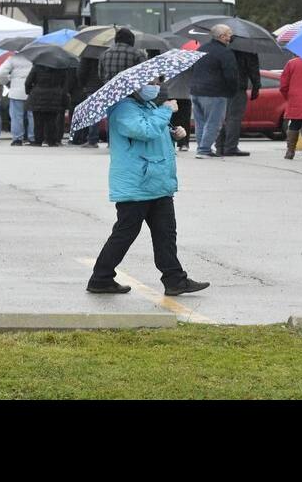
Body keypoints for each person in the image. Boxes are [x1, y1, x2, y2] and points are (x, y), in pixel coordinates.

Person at [86, 77, 209, 296]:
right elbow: (144, 131)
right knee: (125, 233)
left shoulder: (148, 105)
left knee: (166, 233)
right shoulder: (123, 109)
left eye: (157, 82)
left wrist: (173, 134)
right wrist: (166, 111)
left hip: (157, 182)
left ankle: (174, 279)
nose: (155, 86)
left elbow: (155, 134)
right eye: (151, 83)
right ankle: (100, 278)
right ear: (135, 86)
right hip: (137, 183)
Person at [189, 25, 238, 159]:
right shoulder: (225, 53)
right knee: (213, 122)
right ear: (222, 36)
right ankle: (204, 150)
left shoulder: (201, 49)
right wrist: (232, 90)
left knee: (200, 123)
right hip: (215, 92)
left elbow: (193, 69)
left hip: (195, 91)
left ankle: (201, 148)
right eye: (229, 34)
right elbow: (231, 75)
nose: (231, 37)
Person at [218, 50, 261, 156]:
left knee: (221, 117)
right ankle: (230, 147)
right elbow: (253, 69)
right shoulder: (248, 50)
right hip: (238, 86)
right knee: (234, 118)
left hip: (220, 86)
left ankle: (220, 146)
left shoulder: (222, 49)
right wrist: (256, 86)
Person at [25, 62, 72, 146]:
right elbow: (65, 84)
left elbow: (28, 82)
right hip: (54, 96)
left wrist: (29, 91)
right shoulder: (61, 68)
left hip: (38, 96)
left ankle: (38, 141)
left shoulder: (37, 67)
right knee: (52, 120)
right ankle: (51, 141)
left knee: (38, 121)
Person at [0, 54, 35, 146]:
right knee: (32, 116)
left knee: (16, 116)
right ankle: (33, 137)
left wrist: (6, 82)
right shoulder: (35, 58)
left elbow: (1, 73)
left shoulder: (12, 59)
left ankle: (17, 139)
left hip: (16, 91)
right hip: (32, 90)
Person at [71, 55, 102, 146]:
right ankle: (110, 141)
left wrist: (83, 85)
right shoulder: (105, 53)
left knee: (93, 114)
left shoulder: (87, 56)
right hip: (104, 85)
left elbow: (81, 72)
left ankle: (92, 140)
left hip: (91, 86)